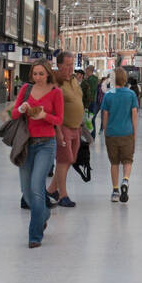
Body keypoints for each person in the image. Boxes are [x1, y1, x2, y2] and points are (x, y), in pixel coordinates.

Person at [11, 61, 64, 247]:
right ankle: (45, 214)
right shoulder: (26, 89)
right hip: (26, 144)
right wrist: (21, 109)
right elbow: (14, 115)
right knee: (26, 194)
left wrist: (44, 117)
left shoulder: (56, 92)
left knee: (36, 187)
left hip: (46, 145)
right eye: (35, 74)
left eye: (41, 74)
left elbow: (59, 119)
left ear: (48, 74)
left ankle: (35, 236)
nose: (38, 77)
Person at [100, 67, 139, 203]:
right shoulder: (131, 94)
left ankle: (115, 190)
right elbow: (134, 114)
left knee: (114, 162)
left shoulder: (108, 95)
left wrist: (105, 131)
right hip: (127, 132)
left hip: (112, 133)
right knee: (128, 160)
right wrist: (134, 132)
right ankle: (126, 180)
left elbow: (105, 115)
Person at [52, 51, 84, 207]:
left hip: (76, 128)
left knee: (70, 160)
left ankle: (52, 188)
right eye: (68, 65)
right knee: (63, 160)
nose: (71, 68)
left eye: (73, 65)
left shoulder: (73, 80)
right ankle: (62, 195)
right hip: (63, 127)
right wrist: (57, 131)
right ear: (59, 65)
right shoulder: (55, 82)